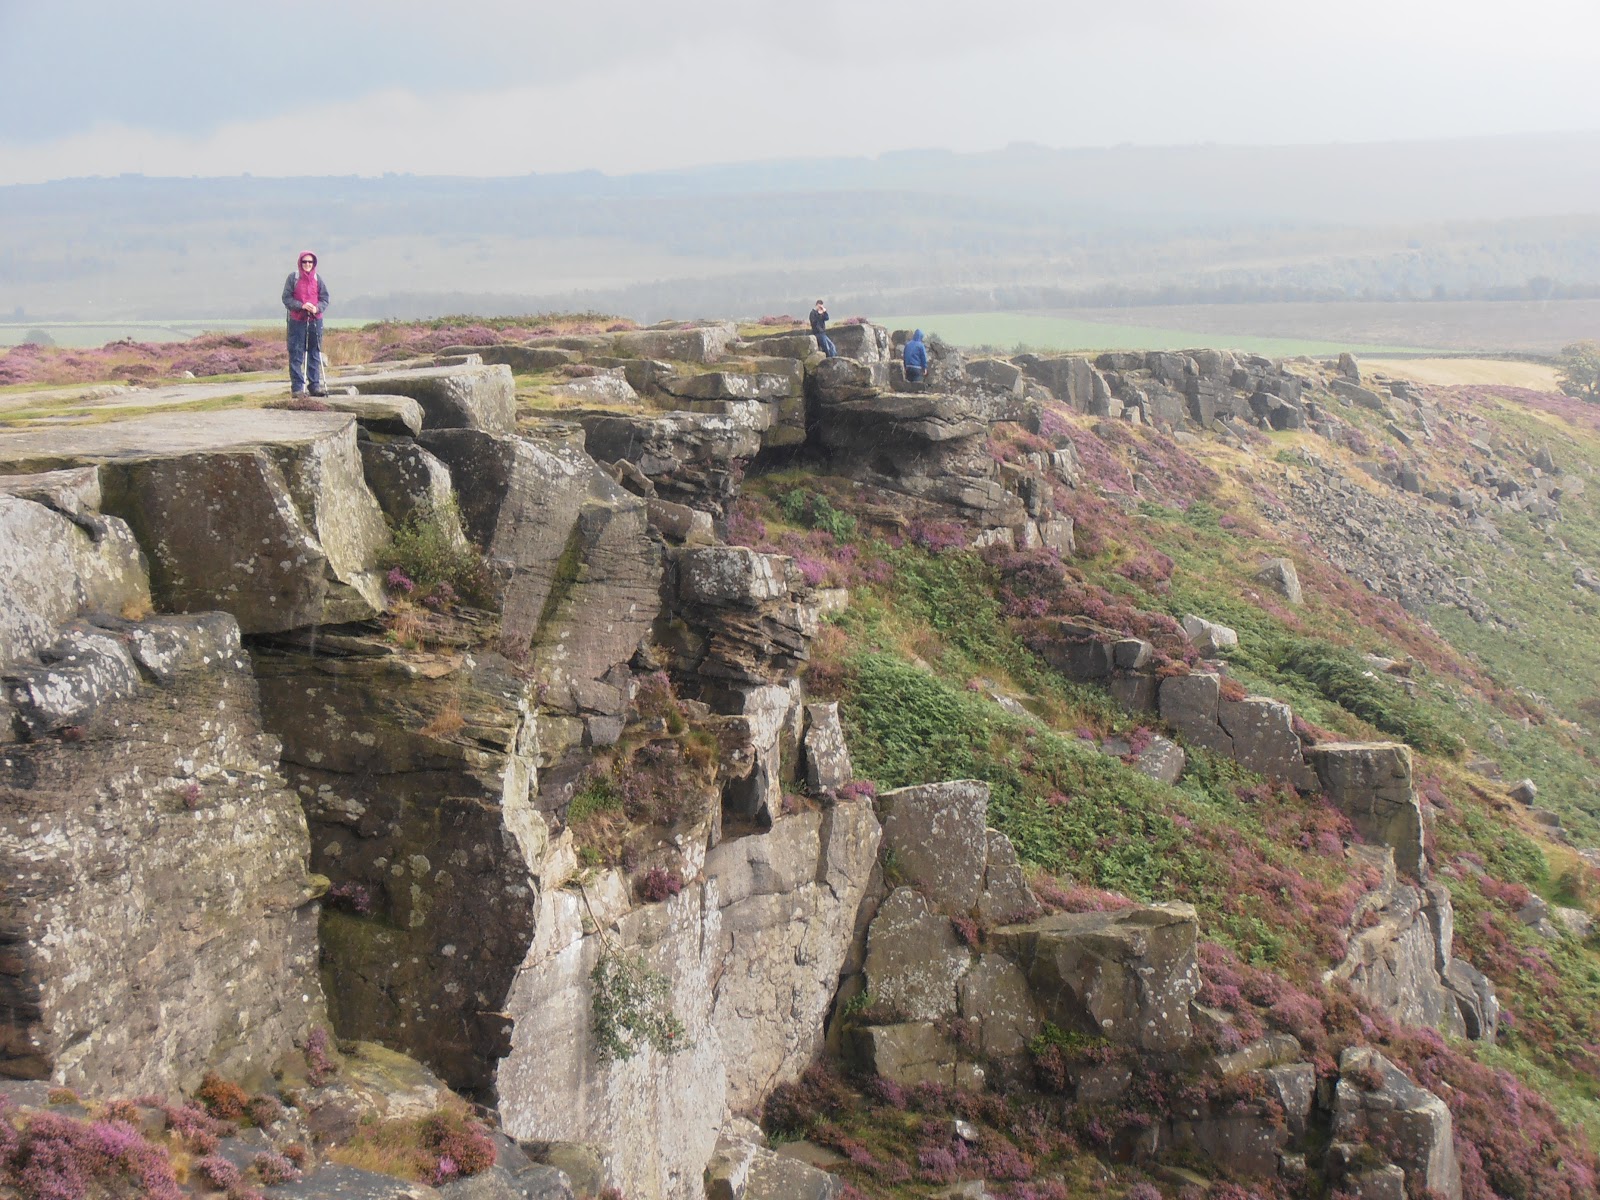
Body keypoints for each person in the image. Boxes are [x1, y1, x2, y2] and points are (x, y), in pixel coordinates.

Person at [282, 251, 330, 397]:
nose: (308, 264)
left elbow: (324, 298)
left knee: (315, 352)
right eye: (305, 262)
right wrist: (301, 306)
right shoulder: (293, 278)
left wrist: (317, 308)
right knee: (296, 353)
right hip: (297, 321)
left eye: (310, 262)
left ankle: (314, 386)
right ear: (300, 263)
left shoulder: (317, 279)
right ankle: (297, 388)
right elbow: (286, 298)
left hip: (315, 320)